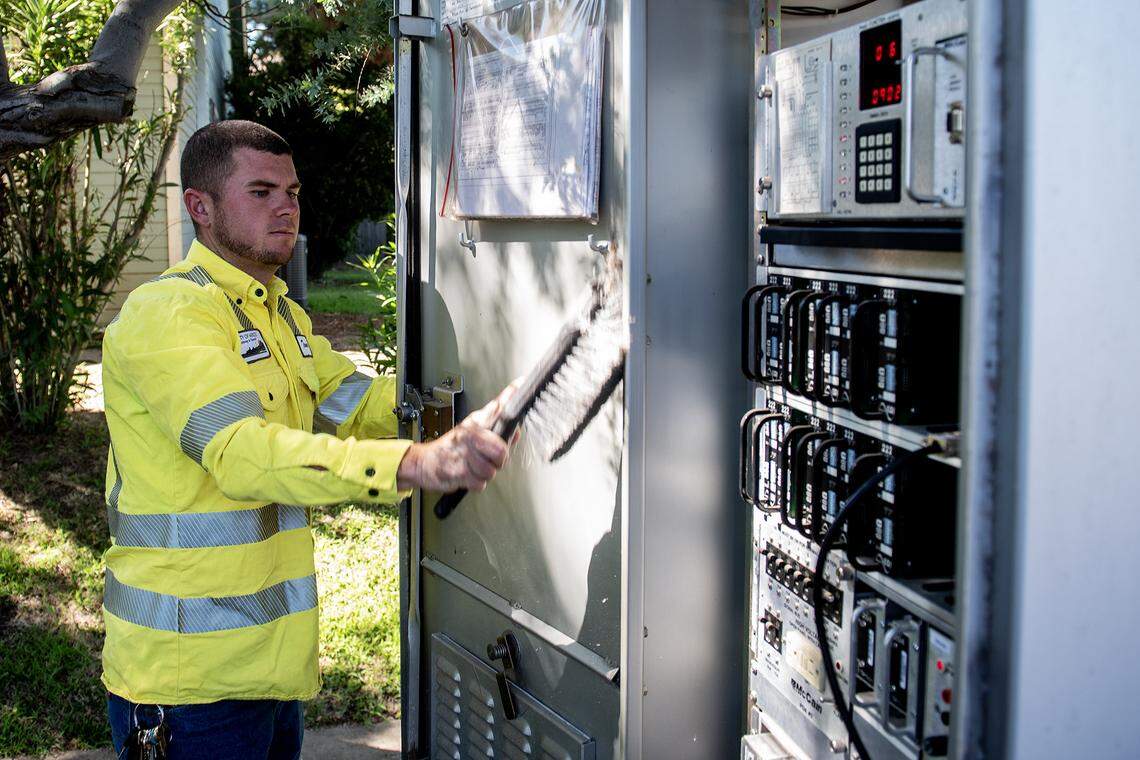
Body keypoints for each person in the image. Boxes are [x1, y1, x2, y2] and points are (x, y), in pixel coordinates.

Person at [100, 120, 510, 758]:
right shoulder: (170, 314)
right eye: (261, 191)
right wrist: (413, 463)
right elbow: (241, 454)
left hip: (268, 670)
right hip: (187, 685)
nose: (286, 206)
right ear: (199, 208)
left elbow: (353, 401)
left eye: (291, 191)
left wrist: (466, 401)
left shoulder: (278, 313)